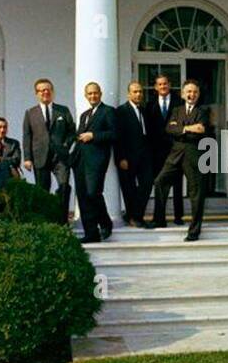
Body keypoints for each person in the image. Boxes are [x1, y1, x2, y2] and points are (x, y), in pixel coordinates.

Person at [147, 78, 216, 241]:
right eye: (189, 91)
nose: (192, 94)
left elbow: (202, 129)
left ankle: (194, 230)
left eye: (195, 92)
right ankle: (159, 219)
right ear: (183, 94)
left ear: (198, 94)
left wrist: (180, 128)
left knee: (196, 192)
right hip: (176, 153)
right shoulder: (177, 109)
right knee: (160, 182)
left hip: (194, 154)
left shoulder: (204, 111)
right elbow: (169, 128)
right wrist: (187, 128)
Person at [22, 78, 75, 219]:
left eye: (48, 89)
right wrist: (27, 158)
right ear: (36, 93)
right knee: (42, 191)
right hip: (40, 156)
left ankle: (62, 220)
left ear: (52, 92)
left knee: (64, 187)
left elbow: (72, 131)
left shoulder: (63, 110)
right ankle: (45, 220)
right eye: (42, 90)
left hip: (60, 157)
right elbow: (27, 136)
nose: (45, 92)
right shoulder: (30, 113)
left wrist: (66, 145)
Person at [71, 82, 116, 243]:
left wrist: (93, 136)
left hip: (96, 160)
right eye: (89, 94)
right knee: (83, 197)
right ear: (86, 96)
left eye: (95, 93)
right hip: (80, 161)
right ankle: (91, 233)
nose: (92, 96)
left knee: (93, 193)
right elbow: (79, 135)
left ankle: (105, 223)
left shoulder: (108, 111)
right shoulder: (84, 115)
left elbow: (114, 134)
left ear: (100, 94)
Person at [143, 74, 184, 225]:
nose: (163, 87)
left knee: (178, 184)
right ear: (155, 87)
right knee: (160, 184)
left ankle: (178, 217)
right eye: (159, 84)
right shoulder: (149, 105)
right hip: (157, 151)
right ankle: (159, 218)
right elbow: (148, 130)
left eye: (165, 84)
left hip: (176, 149)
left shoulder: (179, 103)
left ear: (170, 84)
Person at [113, 80, 154, 226]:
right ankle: (134, 217)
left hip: (144, 156)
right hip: (128, 157)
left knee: (147, 184)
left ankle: (136, 215)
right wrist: (121, 157)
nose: (138, 94)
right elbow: (117, 137)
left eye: (140, 92)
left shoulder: (144, 110)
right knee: (129, 188)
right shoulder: (121, 111)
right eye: (135, 92)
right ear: (128, 94)